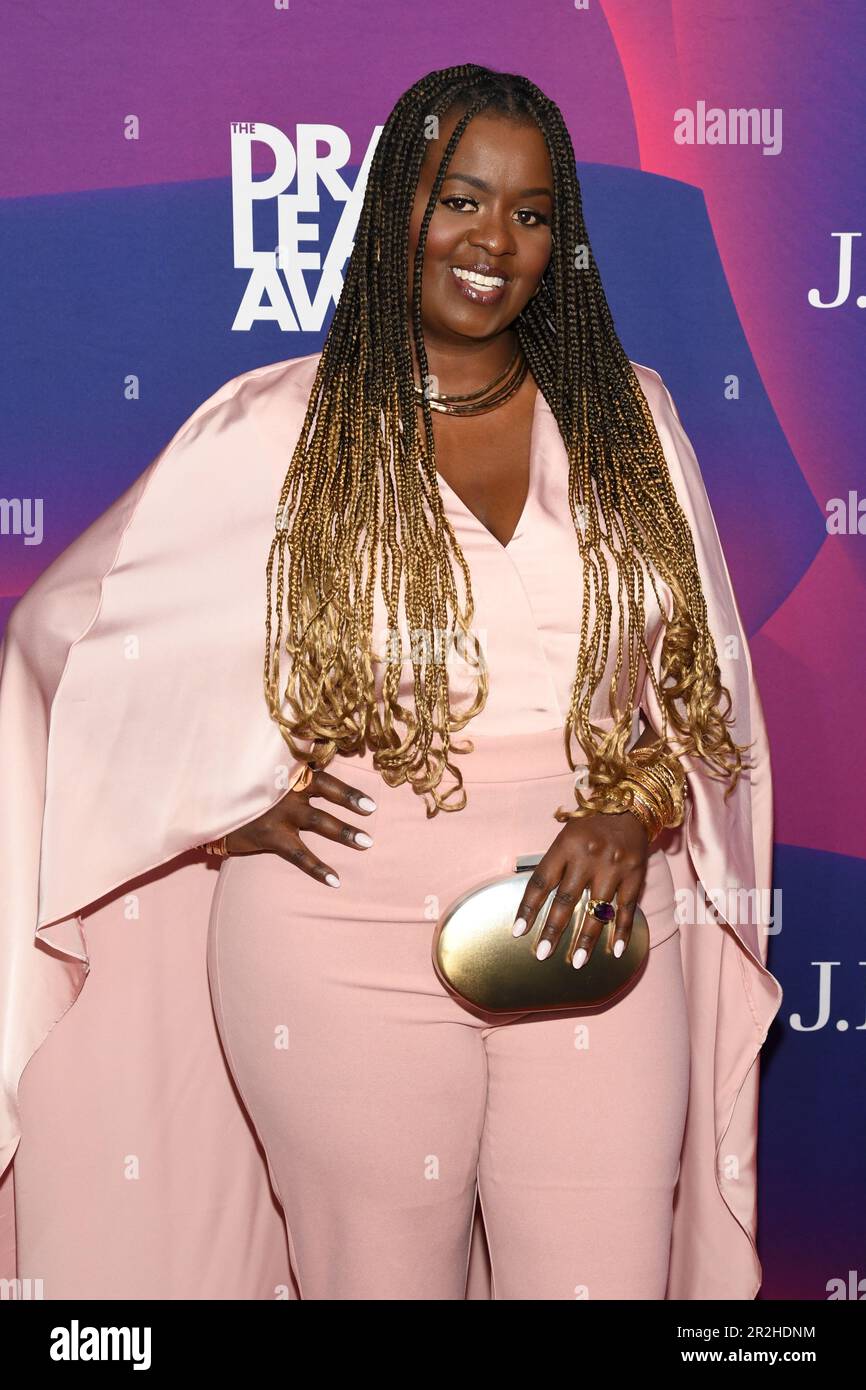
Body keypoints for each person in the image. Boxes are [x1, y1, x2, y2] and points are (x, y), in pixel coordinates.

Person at [0, 64, 782, 1301]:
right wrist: (218, 804)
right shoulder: (272, 432)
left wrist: (634, 814)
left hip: (595, 938)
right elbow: (63, 632)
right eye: (458, 198)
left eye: (530, 214)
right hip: (331, 942)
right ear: (392, 213)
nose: (493, 240)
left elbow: (700, 694)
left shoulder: (631, 424)